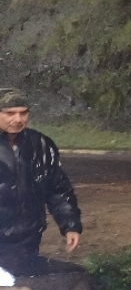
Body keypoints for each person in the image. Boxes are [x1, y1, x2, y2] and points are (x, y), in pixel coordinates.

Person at [0, 88, 82, 258]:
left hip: (28, 237)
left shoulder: (40, 144)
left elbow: (58, 189)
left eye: (23, 113)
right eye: (10, 113)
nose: (18, 119)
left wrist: (70, 225)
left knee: (23, 283)